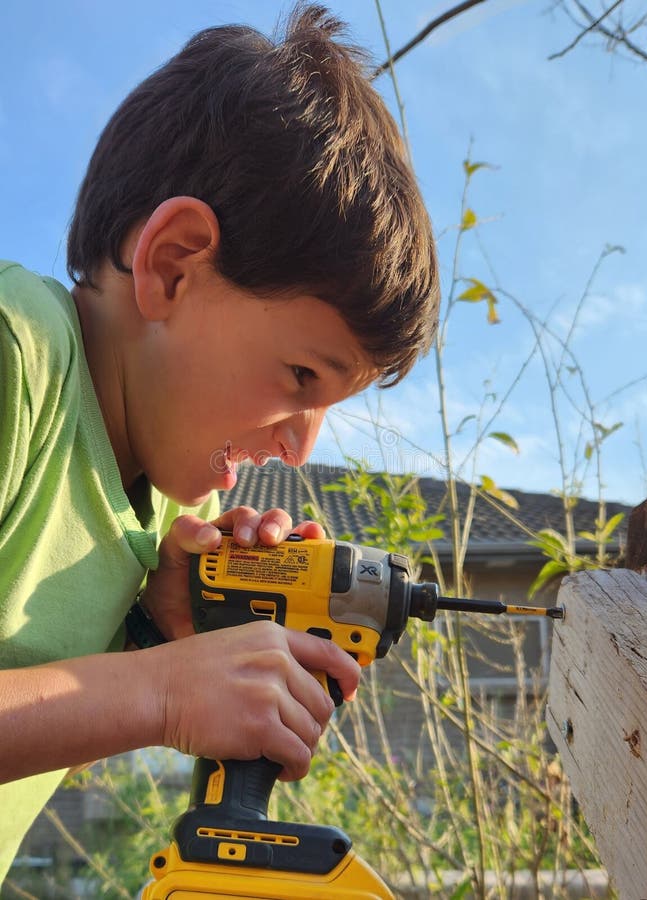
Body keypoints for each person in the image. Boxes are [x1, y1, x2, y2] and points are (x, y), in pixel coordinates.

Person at [0, 2, 439, 882]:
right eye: (300, 378)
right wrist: (159, 692)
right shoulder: (21, 358)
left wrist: (156, 628)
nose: (299, 451)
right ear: (172, 264)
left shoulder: (158, 504)